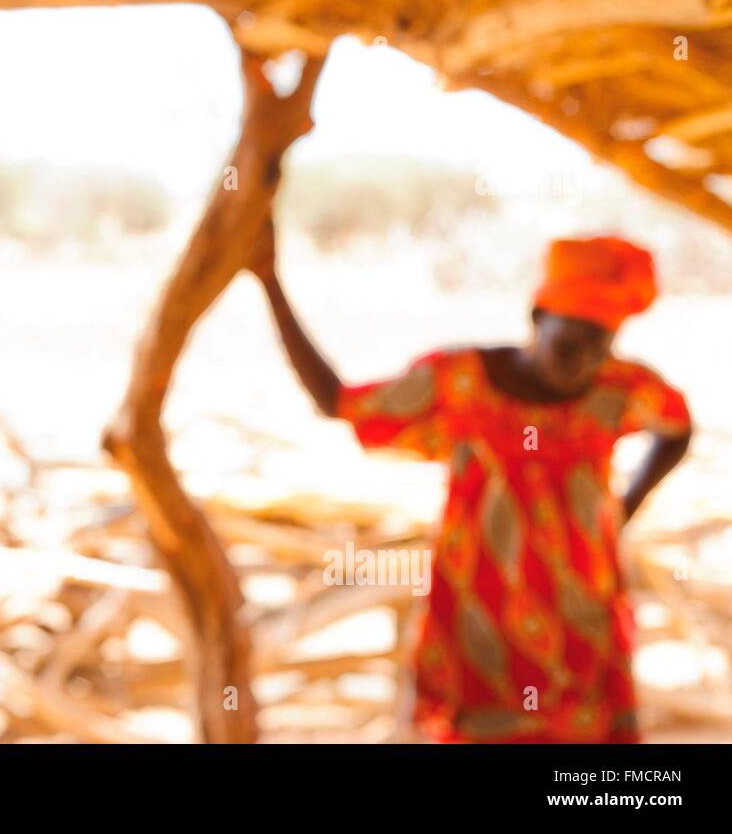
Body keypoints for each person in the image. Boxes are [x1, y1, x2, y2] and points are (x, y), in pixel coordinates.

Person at [250, 231, 692, 743]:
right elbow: (339, 403)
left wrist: (625, 507)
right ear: (536, 319)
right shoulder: (461, 381)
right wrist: (270, 286)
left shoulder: (618, 387)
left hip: (581, 616)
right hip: (476, 614)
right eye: (569, 345)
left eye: (599, 348)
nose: (583, 363)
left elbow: (678, 430)